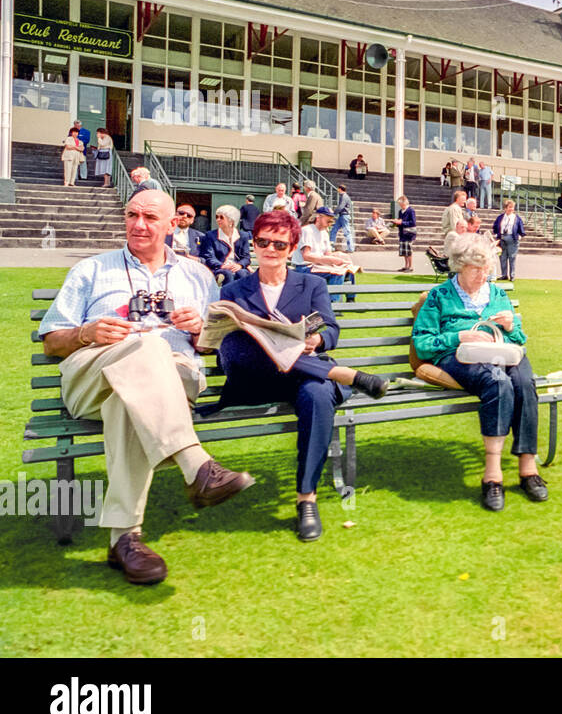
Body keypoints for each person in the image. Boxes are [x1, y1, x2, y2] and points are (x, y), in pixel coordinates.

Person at [37, 189, 255, 584]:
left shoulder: (198, 275)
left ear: (173, 225)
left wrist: (199, 331)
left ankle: (124, 539)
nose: (139, 224)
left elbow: (217, 344)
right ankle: (196, 465)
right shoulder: (91, 270)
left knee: (130, 397)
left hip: (174, 379)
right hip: (94, 376)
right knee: (144, 346)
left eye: (151, 217)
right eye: (132, 214)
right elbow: (52, 339)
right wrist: (87, 332)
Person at [212, 209, 388, 542]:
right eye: (262, 241)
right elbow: (227, 349)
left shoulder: (311, 284)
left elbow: (331, 329)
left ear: (292, 248)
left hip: (299, 377)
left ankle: (307, 498)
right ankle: (347, 375)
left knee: (319, 394)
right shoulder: (234, 290)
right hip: (255, 380)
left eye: (279, 244)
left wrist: (317, 340)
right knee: (242, 347)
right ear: (254, 244)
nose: (270, 249)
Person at [411, 232, 547, 511]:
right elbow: (423, 344)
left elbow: (519, 339)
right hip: (458, 357)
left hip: (500, 352)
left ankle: (528, 468)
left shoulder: (497, 294)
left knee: (523, 380)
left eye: (486, 268)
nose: (482, 275)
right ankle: (493, 475)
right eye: (476, 269)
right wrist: (458, 336)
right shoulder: (439, 296)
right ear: (460, 266)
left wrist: (510, 328)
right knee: (497, 383)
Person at [198, 205, 253, 284]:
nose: (218, 220)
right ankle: (227, 296)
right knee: (227, 274)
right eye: (217, 217)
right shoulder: (210, 235)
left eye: (221, 217)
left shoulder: (243, 236)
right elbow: (208, 257)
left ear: (231, 220)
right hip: (220, 268)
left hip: (237, 267)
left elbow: (246, 257)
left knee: (242, 273)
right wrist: (222, 265)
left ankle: (242, 296)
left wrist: (239, 265)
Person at [301, 207, 354, 284]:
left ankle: (351, 296)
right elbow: (306, 256)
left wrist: (339, 255)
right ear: (318, 217)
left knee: (349, 270)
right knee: (337, 273)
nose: (330, 222)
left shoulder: (324, 233)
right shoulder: (307, 230)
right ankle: (333, 296)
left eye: (331, 220)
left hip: (318, 265)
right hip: (306, 267)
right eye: (328, 219)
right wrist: (326, 260)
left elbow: (328, 254)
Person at [493, 198, 525, 281]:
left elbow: (521, 229)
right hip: (502, 238)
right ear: (505, 208)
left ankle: (512, 275)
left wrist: (520, 236)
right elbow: (495, 227)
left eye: (512, 207)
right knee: (502, 257)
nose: (511, 209)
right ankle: (504, 275)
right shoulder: (500, 217)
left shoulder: (516, 218)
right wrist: (497, 235)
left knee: (512, 257)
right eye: (510, 207)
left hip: (512, 238)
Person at [393, 195, 417, 273]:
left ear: (405, 203)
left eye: (401, 204)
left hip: (409, 233)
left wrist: (401, 222)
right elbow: (401, 221)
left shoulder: (411, 210)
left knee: (408, 250)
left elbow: (413, 222)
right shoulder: (400, 211)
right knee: (404, 251)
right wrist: (396, 222)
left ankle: (410, 266)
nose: (401, 206)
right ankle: (406, 266)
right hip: (402, 233)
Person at [329, 184, 355, 251]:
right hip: (342, 216)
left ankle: (351, 248)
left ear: (340, 189)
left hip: (344, 216)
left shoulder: (344, 196)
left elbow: (341, 206)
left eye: (338, 189)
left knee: (347, 232)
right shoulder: (344, 196)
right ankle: (331, 246)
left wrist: (334, 213)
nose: (338, 190)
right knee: (333, 230)